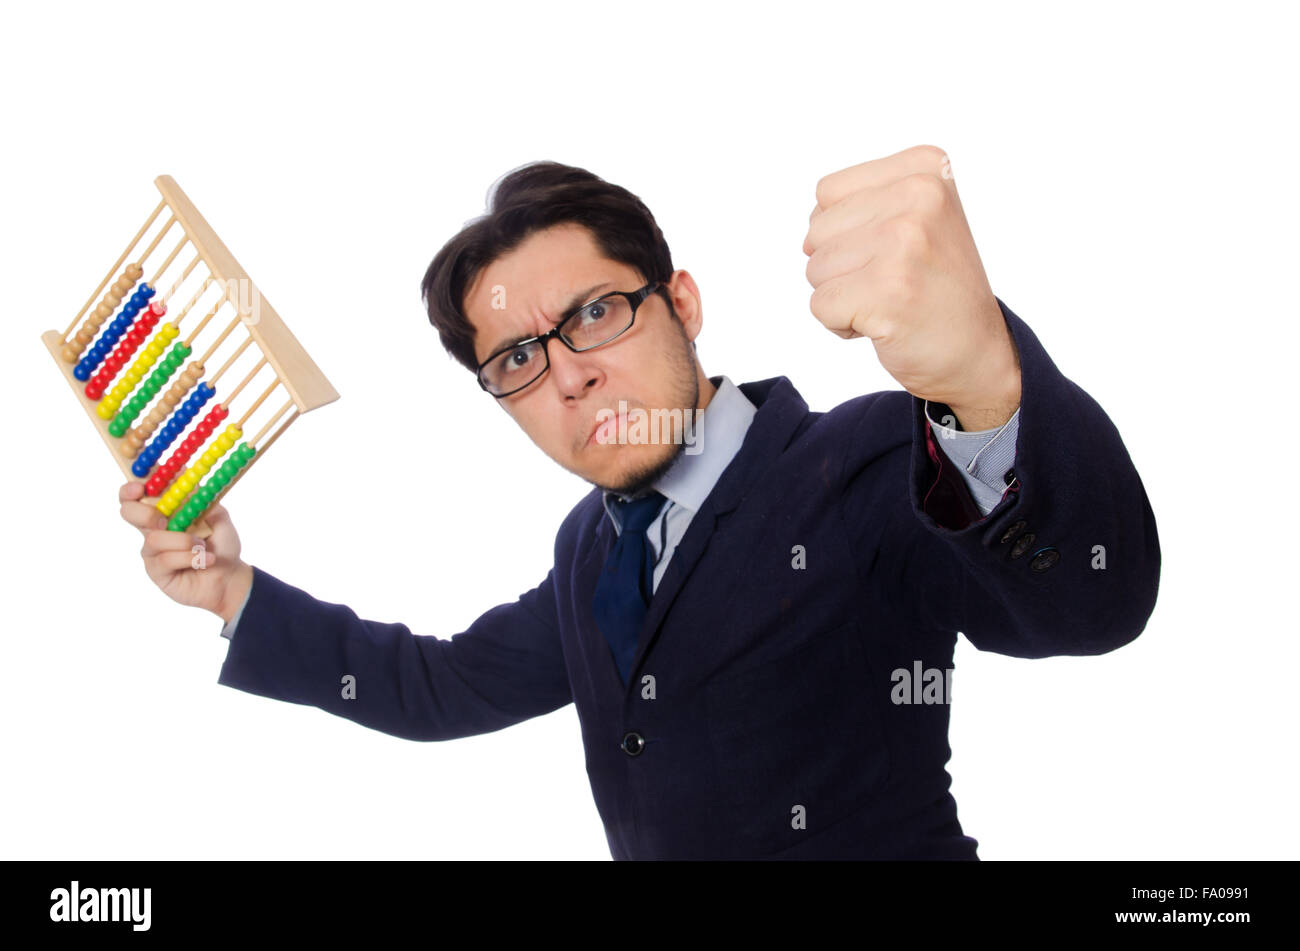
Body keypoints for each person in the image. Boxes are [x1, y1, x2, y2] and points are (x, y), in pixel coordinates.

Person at [119, 146, 1161, 859]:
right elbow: (443, 686)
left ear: (683, 303)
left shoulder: (865, 461)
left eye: (594, 314)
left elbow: (1086, 607)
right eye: (518, 358)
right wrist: (231, 593)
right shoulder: (589, 547)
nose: (567, 375)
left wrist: (983, 388)